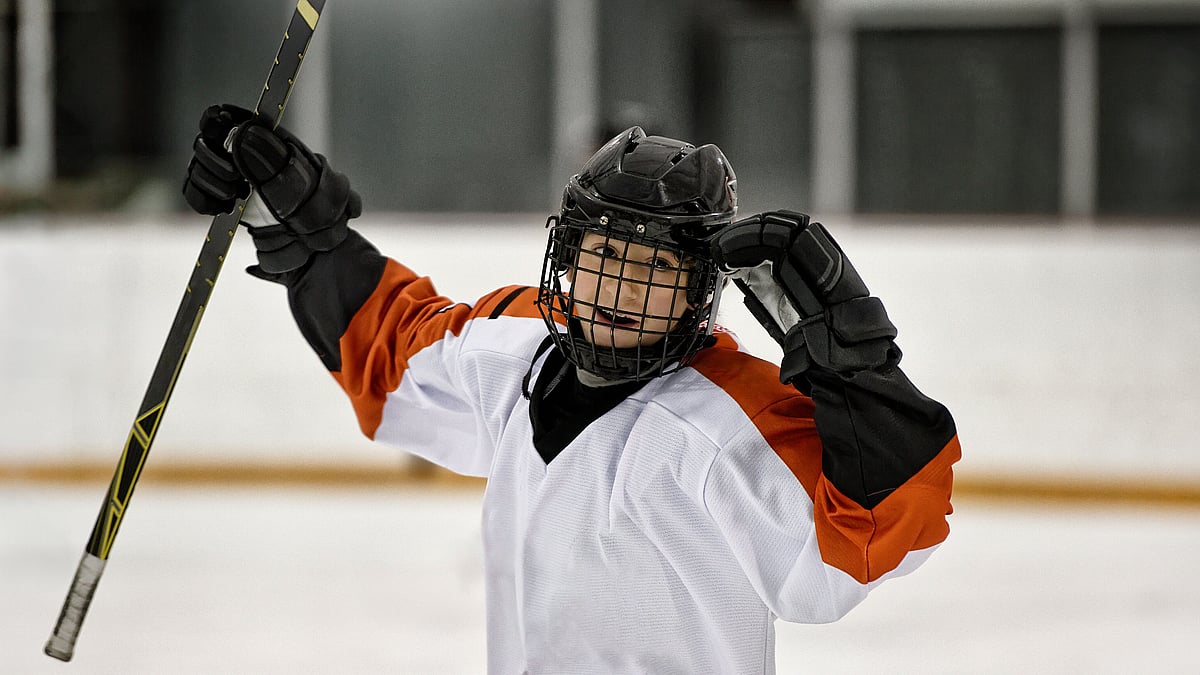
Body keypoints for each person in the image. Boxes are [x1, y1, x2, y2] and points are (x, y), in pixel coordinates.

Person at [183, 104, 961, 674]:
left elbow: (874, 536)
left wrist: (855, 365)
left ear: (701, 286)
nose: (617, 288)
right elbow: (390, 349)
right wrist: (295, 226)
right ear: (565, 252)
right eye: (601, 253)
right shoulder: (515, 341)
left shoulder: (738, 415)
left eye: (654, 267)